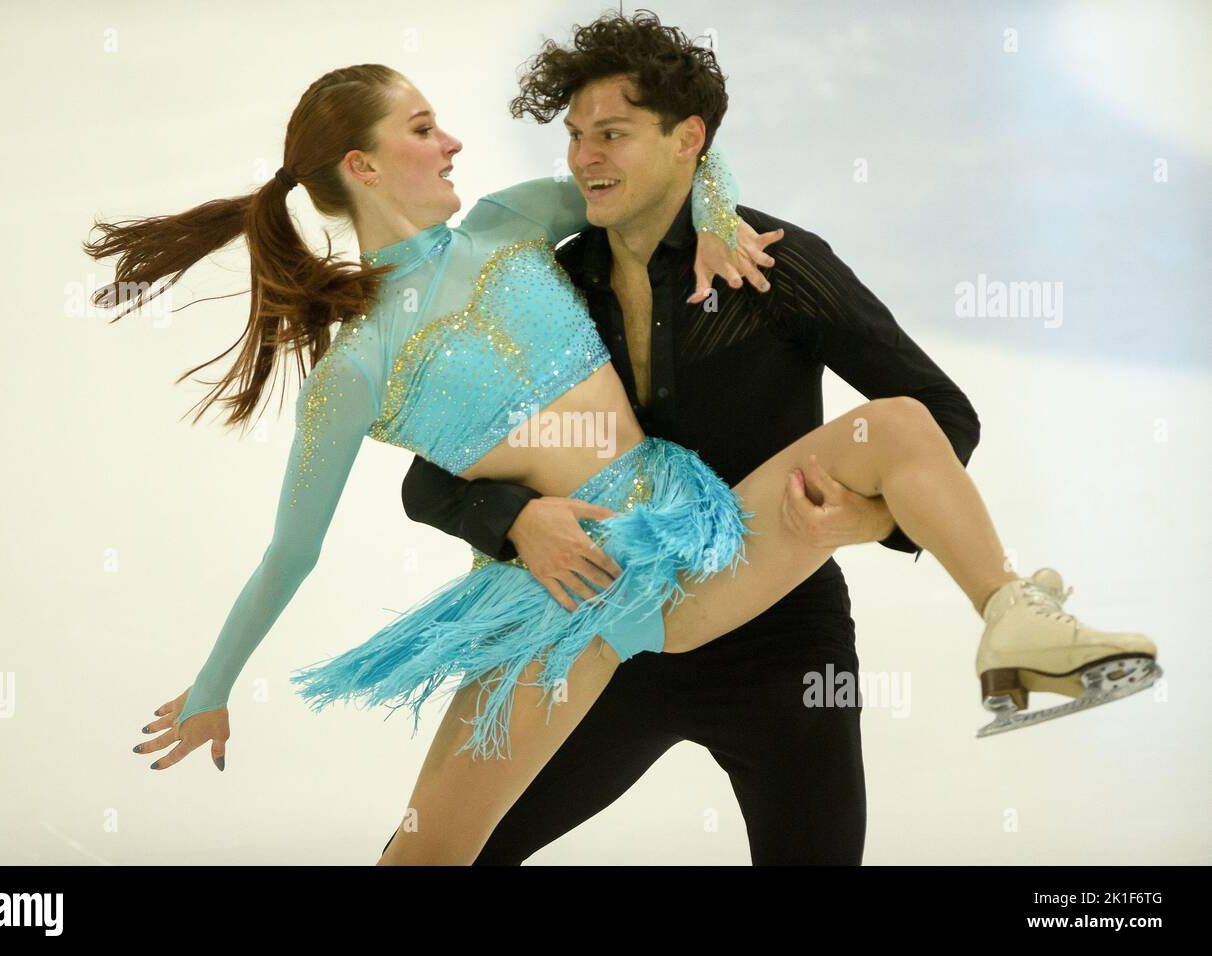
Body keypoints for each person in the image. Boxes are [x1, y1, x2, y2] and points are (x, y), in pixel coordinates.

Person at [90, 57, 1159, 866]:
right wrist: (213, 689)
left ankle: (1012, 619)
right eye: (424, 128)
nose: (454, 140)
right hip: (553, 599)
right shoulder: (352, 368)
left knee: (899, 425)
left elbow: (663, 181)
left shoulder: (512, 226)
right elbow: (294, 548)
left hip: (687, 539)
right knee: (426, 854)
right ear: (362, 166)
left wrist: (721, 211)